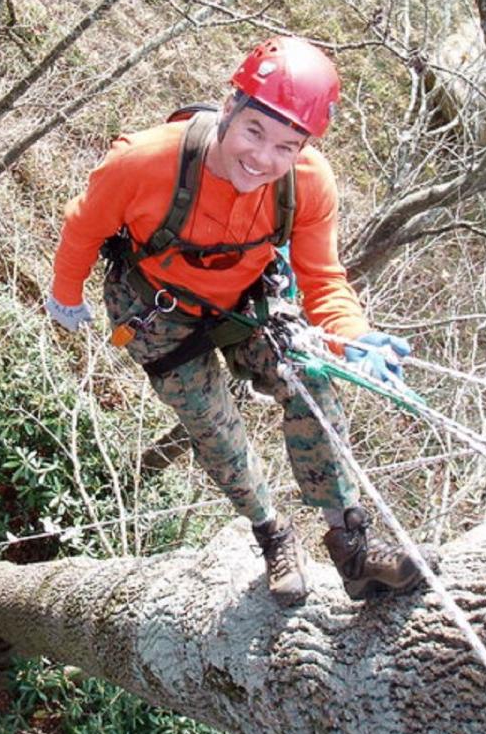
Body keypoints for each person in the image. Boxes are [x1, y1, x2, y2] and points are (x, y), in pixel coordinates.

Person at [46, 36, 435, 605]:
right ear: (229, 109)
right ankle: (272, 535)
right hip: (156, 310)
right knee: (215, 428)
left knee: (313, 382)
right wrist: (65, 294)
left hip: (247, 304)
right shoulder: (142, 161)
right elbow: (82, 226)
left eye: (286, 145)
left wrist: (353, 338)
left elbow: (323, 278)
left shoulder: (307, 183)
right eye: (254, 131)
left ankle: (352, 547)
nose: (262, 158)